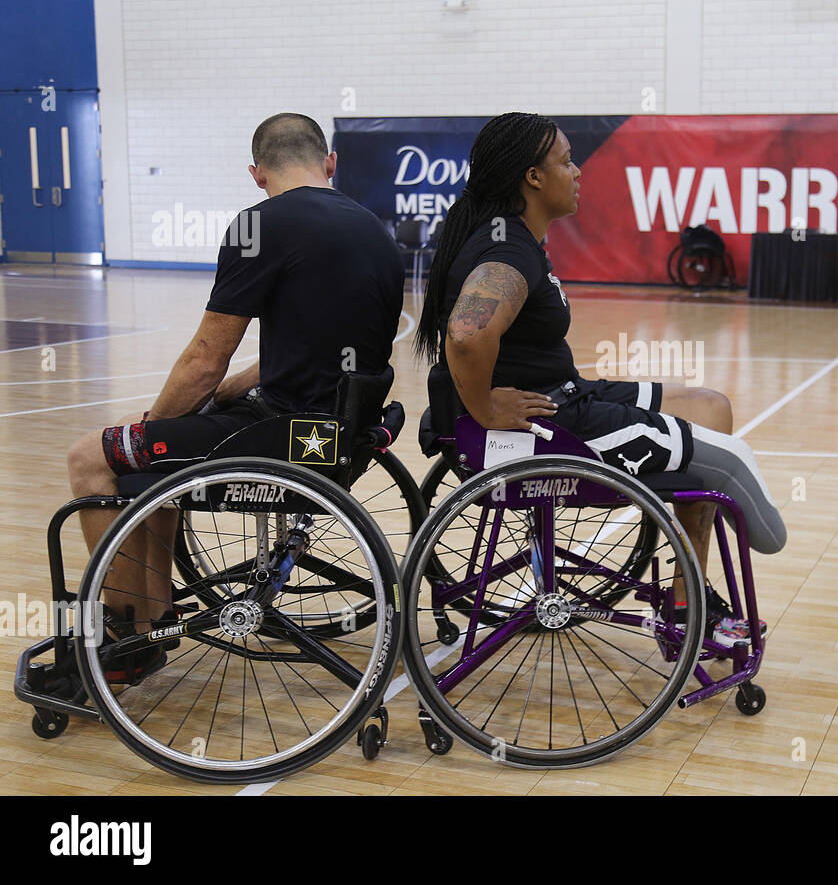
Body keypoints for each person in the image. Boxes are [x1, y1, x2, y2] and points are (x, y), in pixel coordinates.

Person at [414, 112, 785, 646]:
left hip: (564, 396)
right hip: (551, 425)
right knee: (733, 474)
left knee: (710, 406)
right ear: (533, 178)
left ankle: (687, 597)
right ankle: (705, 594)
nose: (578, 170)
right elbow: (467, 336)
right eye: (566, 161)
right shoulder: (508, 250)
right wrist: (486, 409)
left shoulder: (508, 235)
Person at [64, 113, 403, 675]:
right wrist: (216, 397)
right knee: (148, 445)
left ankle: (124, 641)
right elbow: (307, 349)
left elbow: (204, 359)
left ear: (256, 174)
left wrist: (157, 427)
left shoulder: (262, 224)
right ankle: (153, 611)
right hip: (341, 431)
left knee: (91, 455)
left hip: (288, 437)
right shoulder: (372, 227)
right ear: (330, 163)